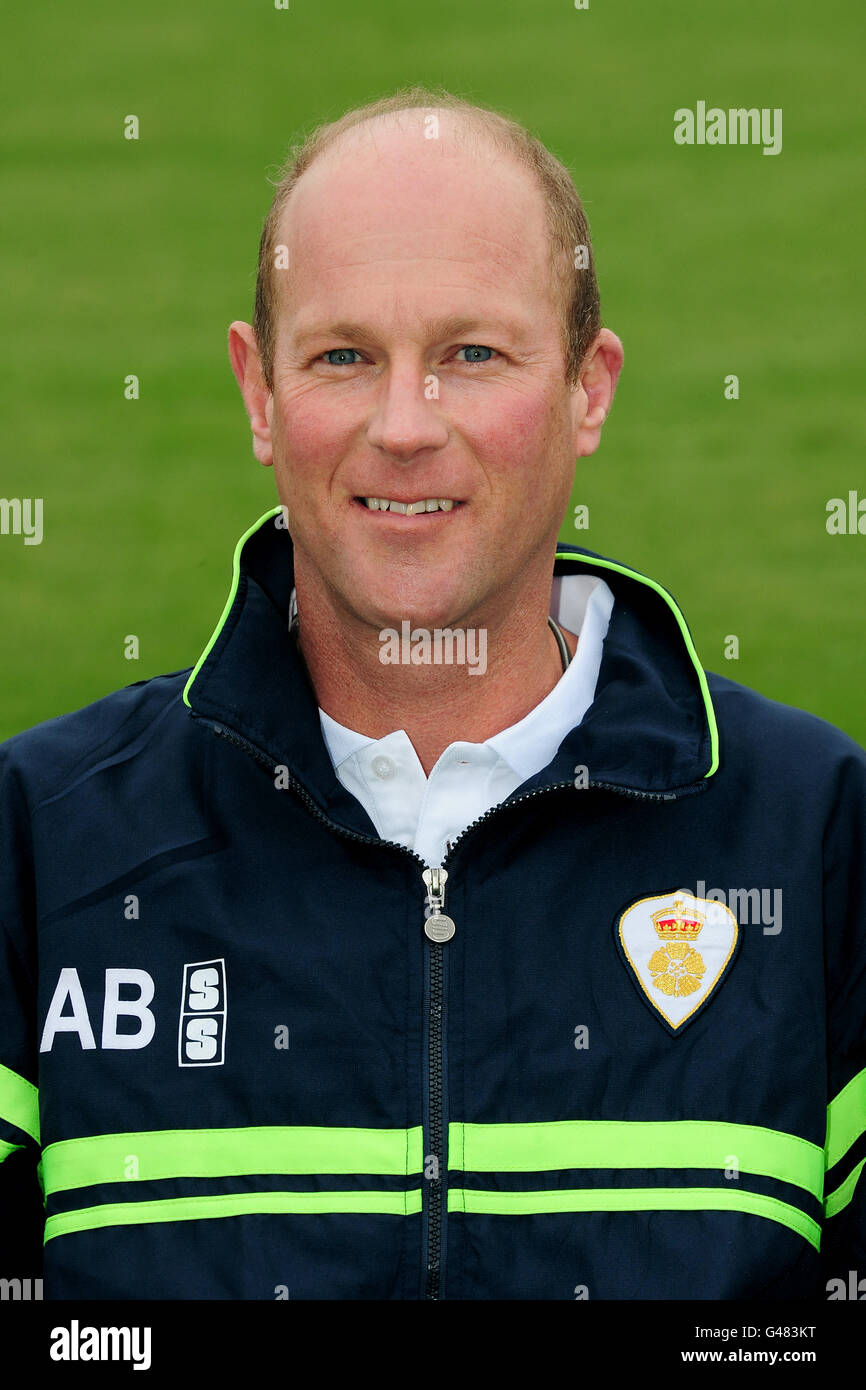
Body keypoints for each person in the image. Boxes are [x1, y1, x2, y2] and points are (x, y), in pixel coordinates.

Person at [1, 86, 863, 1301]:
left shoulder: (817, 829)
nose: (405, 426)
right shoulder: (39, 836)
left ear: (586, 388)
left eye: (472, 354)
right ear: (258, 392)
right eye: (344, 356)